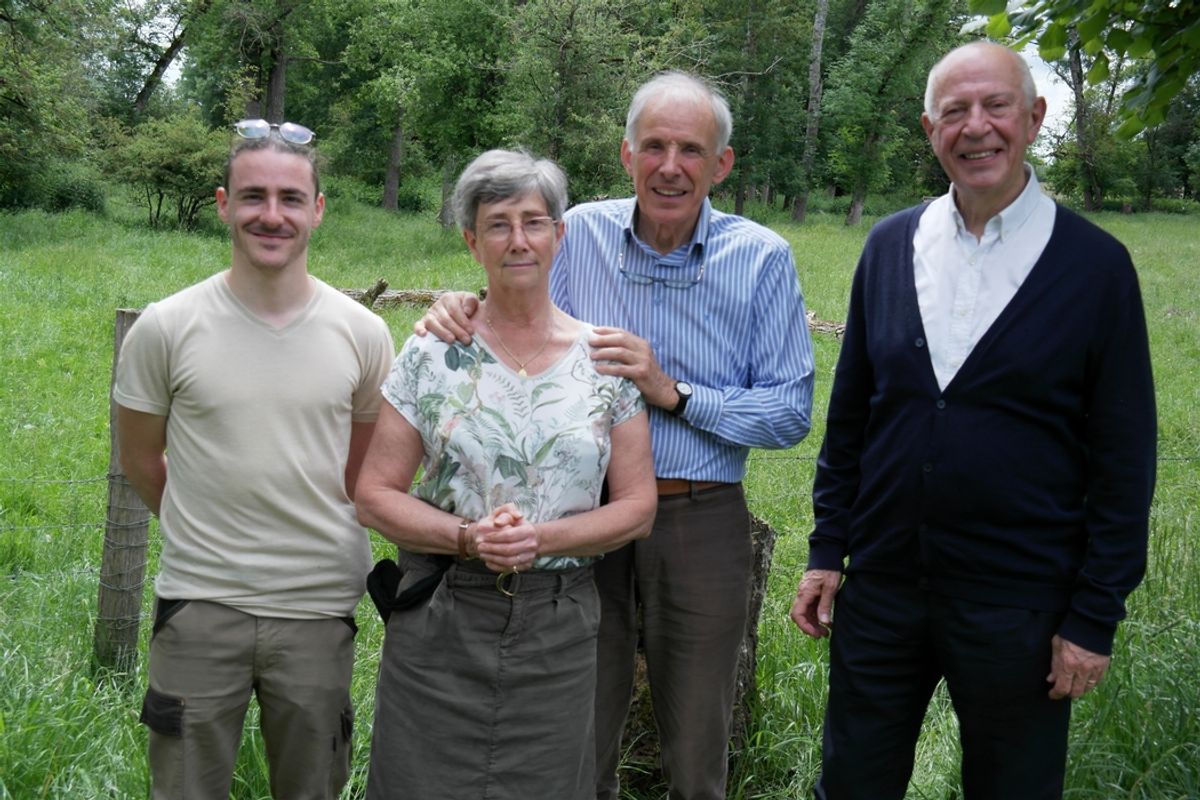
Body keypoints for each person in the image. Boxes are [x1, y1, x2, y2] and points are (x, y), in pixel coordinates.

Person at [418, 73, 815, 800]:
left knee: (697, 745)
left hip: (700, 516)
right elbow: (510, 297)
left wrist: (675, 394)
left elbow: (789, 413)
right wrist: (456, 304)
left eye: (691, 150)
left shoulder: (761, 258)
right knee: (575, 730)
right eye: (654, 146)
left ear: (720, 164)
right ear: (626, 154)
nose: (671, 166)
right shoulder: (576, 234)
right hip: (582, 515)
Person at [790, 41, 1156, 799]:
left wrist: (1094, 615)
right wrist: (829, 550)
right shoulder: (890, 246)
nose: (976, 126)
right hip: (884, 589)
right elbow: (852, 416)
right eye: (954, 111)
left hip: (1020, 604)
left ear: (1034, 118)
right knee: (851, 784)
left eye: (995, 106)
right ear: (930, 129)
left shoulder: (1095, 267)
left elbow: (1125, 457)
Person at [355, 148, 657, 799]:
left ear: (560, 235)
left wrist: (538, 541)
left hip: (560, 630)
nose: (518, 240)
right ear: (471, 240)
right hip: (442, 619)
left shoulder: (604, 360)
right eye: (497, 224)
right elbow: (374, 495)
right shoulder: (433, 354)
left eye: (534, 221)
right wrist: (470, 538)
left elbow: (637, 506)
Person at [114, 119, 394, 800]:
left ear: (318, 209)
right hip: (200, 607)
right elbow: (143, 461)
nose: (272, 215)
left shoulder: (363, 336)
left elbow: (364, 480)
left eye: (291, 199)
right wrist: (211, 531)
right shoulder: (167, 327)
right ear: (223, 203)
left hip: (318, 611)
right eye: (253, 196)